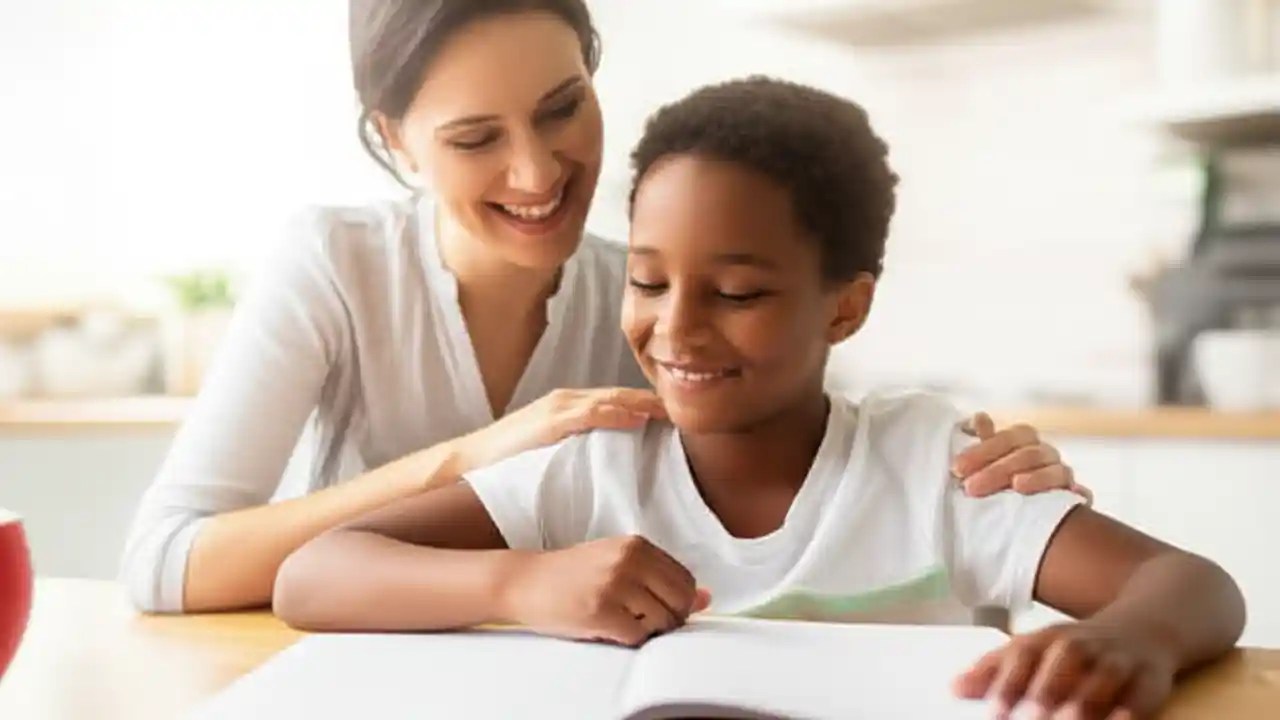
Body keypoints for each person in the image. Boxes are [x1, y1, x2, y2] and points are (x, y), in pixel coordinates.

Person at [274, 77, 1245, 719]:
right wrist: (515, 582)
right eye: (648, 282)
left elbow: (1195, 585)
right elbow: (313, 573)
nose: (677, 329)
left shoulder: (928, 463)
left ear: (844, 307)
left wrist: (1130, 637)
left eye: (736, 294)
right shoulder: (595, 466)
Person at [121, 0, 1085, 615]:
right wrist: (468, 459)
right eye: (473, 139)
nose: (538, 172)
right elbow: (167, 564)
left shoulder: (650, 298)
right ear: (397, 140)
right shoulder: (336, 262)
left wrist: (973, 473)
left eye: (560, 107)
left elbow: (825, 460)